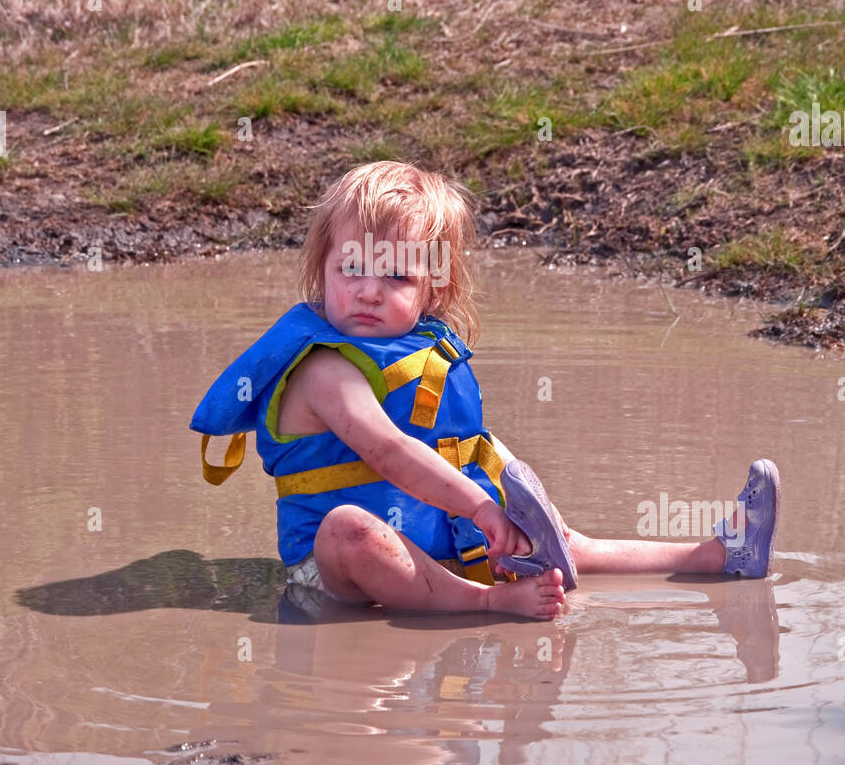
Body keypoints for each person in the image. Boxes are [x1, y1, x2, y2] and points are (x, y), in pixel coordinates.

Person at [190, 161, 780, 621]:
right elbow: (389, 452)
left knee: (559, 537)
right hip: (339, 571)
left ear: (434, 291)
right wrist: (477, 506)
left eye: (395, 274)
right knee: (350, 528)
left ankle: (720, 555)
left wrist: (510, 508)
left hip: (439, 539)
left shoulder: (424, 350)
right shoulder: (324, 369)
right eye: (352, 269)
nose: (369, 290)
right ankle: (484, 606)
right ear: (322, 270)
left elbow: (463, 446)